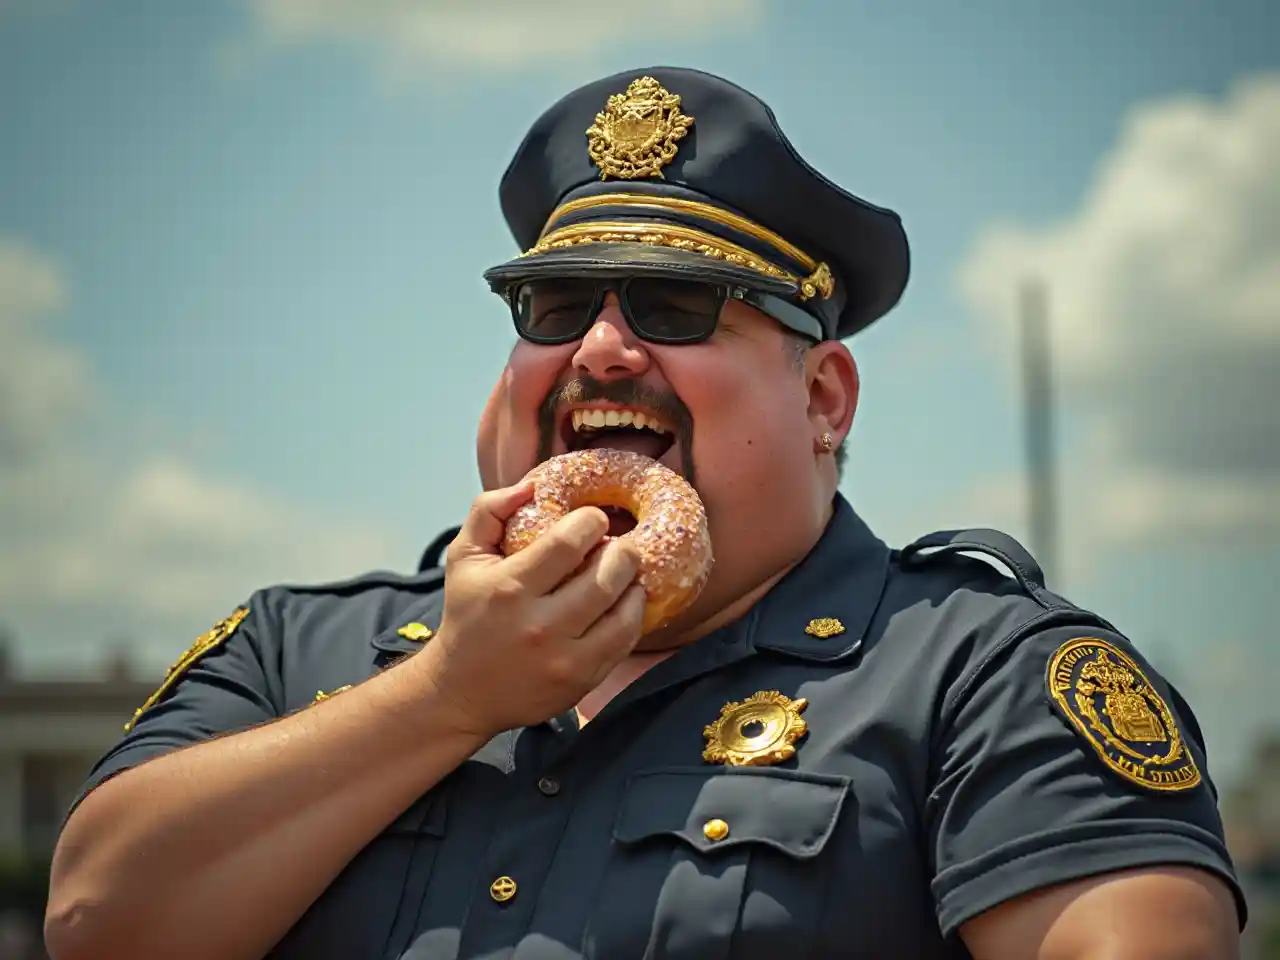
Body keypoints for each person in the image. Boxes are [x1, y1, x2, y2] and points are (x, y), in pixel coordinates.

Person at [45, 67, 1245, 960]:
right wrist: (448, 698)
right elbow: (101, 919)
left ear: (822, 396)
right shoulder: (299, 648)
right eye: (554, 304)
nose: (602, 350)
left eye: (676, 305)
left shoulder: (983, 678)